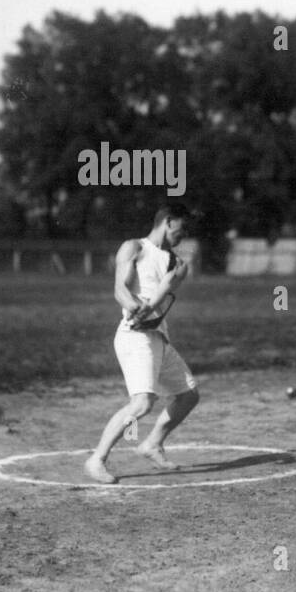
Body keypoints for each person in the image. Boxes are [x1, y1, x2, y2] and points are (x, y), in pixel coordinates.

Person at [85, 204, 200, 484]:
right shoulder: (134, 247)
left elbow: (161, 296)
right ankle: (96, 460)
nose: (183, 236)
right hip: (134, 336)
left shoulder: (177, 265)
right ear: (168, 221)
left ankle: (151, 444)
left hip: (157, 336)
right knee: (142, 404)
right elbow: (120, 288)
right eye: (182, 229)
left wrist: (147, 311)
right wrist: (133, 306)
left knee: (188, 395)